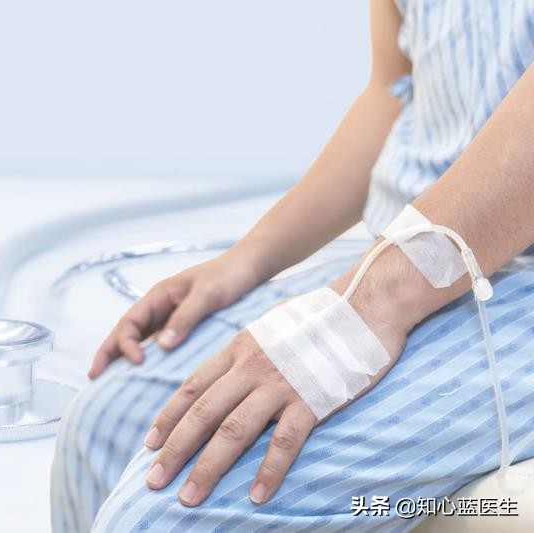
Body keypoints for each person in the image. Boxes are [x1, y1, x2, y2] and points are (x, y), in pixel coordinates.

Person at [52, 0, 534, 530]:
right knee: (105, 420)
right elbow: (394, 89)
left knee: (169, 514)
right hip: (398, 251)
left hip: (501, 279)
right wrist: (247, 260)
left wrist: (355, 319)